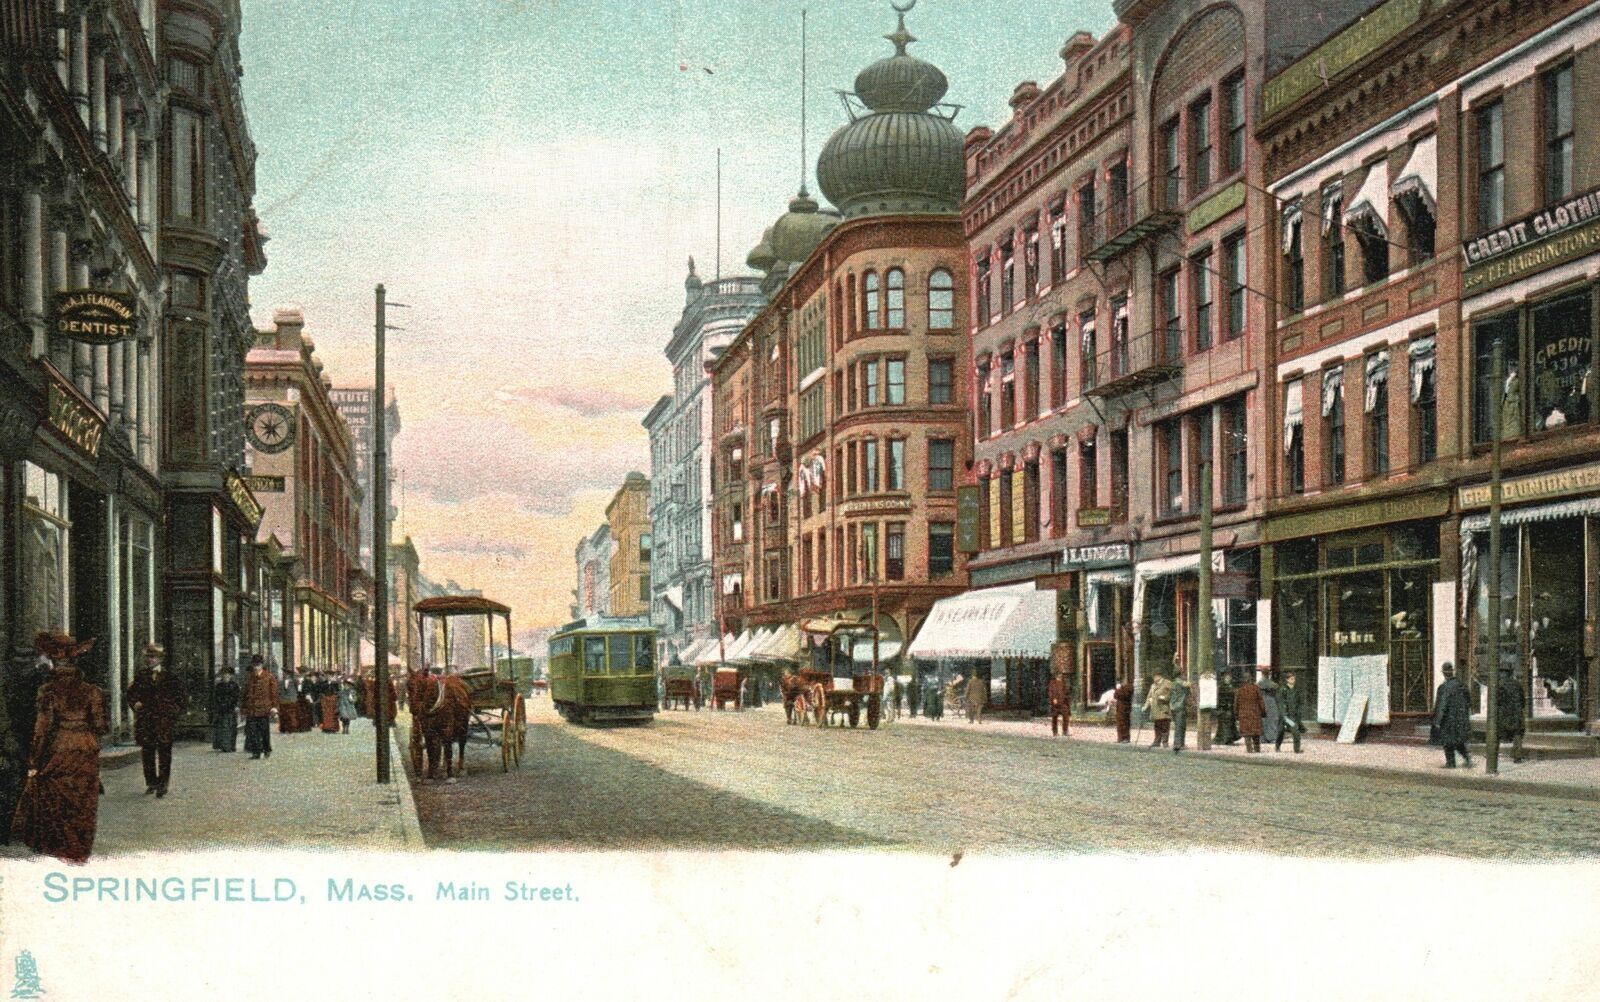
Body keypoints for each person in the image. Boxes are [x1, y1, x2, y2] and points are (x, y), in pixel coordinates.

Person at [12, 634, 107, 864]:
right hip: (86, 749)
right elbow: (101, 725)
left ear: (54, 663)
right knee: (84, 801)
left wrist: (34, 762)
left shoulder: (49, 691)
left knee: (58, 800)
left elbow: (41, 730)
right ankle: (81, 851)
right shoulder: (92, 690)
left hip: (60, 749)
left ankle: (62, 850)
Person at [127, 643, 186, 798]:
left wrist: (172, 714)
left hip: (164, 722)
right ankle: (151, 782)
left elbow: (181, 698)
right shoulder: (141, 676)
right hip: (146, 721)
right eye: (148, 657)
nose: (150, 660)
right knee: (147, 753)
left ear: (160, 659)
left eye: (153, 657)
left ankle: (163, 784)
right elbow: (131, 694)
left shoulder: (170, 677)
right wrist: (135, 704)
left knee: (165, 753)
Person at [1433, 662, 1473, 768]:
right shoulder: (1462, 685)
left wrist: (1437, 721)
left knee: (1447, 742)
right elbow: (1469, 701)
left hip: (1448, 719)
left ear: (1444, 674)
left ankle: (1451, 763)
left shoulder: (1444, 687)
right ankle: (1467, 759)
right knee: (1458, 741)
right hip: (1461, 718)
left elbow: (1442, 705)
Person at [242, 656, 278, 760]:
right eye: (254, 665)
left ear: (262, 665)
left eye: (258, 665)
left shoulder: (269, 677)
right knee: (253, 732)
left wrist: (274, 707)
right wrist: (244, 708)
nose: (256, 667)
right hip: (252, 709)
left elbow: (274, 693)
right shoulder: (250, 677)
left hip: (264, 709)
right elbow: (245, 694)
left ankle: (267, 749)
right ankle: (256, 752)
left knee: (264, 731)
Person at [1497, 667, 1525, 764]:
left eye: (1501, 672)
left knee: (1496, 734)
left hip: (1504, 713)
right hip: (1516, 713)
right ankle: (1517, 757)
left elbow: (1497, 701)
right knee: (1517, 734)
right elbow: (1523, 701)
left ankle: (1493, 754)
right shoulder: (1517, 684)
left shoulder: (1499, 684)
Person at [1234, 669, 1266, 753]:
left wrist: (1236, 714)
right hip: (1255, 714)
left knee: (1247, 733)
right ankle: (1257, 749)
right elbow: (1261, 701)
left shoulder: (1240, 690)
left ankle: (1249, 749)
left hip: (1244, 714)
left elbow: (1236, 703)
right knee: (1256, 733)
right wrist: (1263, 712)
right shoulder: (1256, 688)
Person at [211, 668, 241, 752]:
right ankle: (225, 746)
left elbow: (237, 697)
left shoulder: (234, 685)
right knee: (223, 727)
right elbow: (216, 698)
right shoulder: (219, 686)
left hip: (231, 709)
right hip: (222, 709)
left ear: (230, 676)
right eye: (224, 675)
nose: (226, 676)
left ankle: (231, 746)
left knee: (231, 727)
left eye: (227, 675)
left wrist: (236, 706)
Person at [1276, 669, 1306, 753]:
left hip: (1294, 716)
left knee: (1296, 731)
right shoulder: (1283, 690)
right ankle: (1277, 746)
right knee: (1281, 732)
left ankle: (1297, 749)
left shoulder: (1296, 690)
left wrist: (1299, 712)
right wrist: (1284, 715)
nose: (1293, 680)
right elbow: (1281, 703)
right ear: (1287, 680)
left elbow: (1300, 702)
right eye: (1291, 679)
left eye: (1294, 679)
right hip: (1286, 716)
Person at [1143, 672, 1172, 748]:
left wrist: (1164, 697)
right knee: (1157, 726)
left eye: (1155, 676)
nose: (1154, 678)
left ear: (1159, 676)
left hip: (1163, 708)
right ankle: (1157, 741)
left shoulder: (1167, 683)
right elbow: (1149, 697)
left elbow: (1172, 694)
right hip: (1155, 709)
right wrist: (1146, 706)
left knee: (1165, 726)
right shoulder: (1153, 686)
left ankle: (1165, 742)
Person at [1214, 668, 1239, 746]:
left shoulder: (1228, 685)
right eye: (1228, 675)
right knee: (1226, 724)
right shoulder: (1222, 686)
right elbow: (1221, 698)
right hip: (1225, 708)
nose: (1230, 677)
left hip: (1228, 708)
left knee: (1228, 724)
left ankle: (1227, 738)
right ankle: (1226, 739)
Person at [1259, 670, 1283, 751]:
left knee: (1263, 720)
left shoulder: (1259, 683)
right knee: (1272, 719)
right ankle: (1271, 737)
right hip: (1271, 702)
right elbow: (1276, 687)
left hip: (1262, 702)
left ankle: (1262, 738)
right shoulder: (1271, 684)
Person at [1169, 671, 1190, 754]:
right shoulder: (1180, 683)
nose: (1185, 676)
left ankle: (1180, 743)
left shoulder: (1173, 683)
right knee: (1180, 726)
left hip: (1173, 706)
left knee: (1178, 725)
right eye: (1184, 674)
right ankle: (1178, 744)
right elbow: (1187, 686)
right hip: (1180, 706)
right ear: (1180, 675)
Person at [1196, 667, 1217, 752]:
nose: (1207, 675)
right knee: (1202, 726)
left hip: (1208, 705)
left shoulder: (1211, 682)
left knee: (1207, 726)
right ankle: (1201, 745)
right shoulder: (1202, 682)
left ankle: (1207, 745)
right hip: (1202, 705)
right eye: (1206, 673)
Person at [1047, 669, 1071, 737]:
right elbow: (1050, 692)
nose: (1060, 676)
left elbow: (1067, 692)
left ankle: (1065, 731)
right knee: (1054, 718)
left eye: (1061, 675)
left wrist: (1067, 700)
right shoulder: (1052, 682)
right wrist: (1053, 699)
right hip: (1056, 703)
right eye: (1059, 675)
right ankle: (1055, 732)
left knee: (1066, 717)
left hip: (1063, 702)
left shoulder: (1064, 683)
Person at [1113, 673, 1133, 743]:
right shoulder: (1120, 687)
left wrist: (1119, 689)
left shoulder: (1128, 687)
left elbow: (1124, 695)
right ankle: (1120, 738)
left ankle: (1126, 738)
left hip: (1125, 707)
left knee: (1125, 723)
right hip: (1119, 707)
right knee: (1119, 723)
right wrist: (1118, 689)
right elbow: (1115, 696)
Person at [278, 669, 300, 733]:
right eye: (284, 673)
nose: (284, 675)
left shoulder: (294, 681)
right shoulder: (281, 681)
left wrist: (294, 696)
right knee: (283, 714)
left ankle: (292, 728)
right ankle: (284, 728)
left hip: (291, 699)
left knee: (291, 715)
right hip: (283, 700)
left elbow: (297, 689)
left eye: (285, 674)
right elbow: (279, 690)